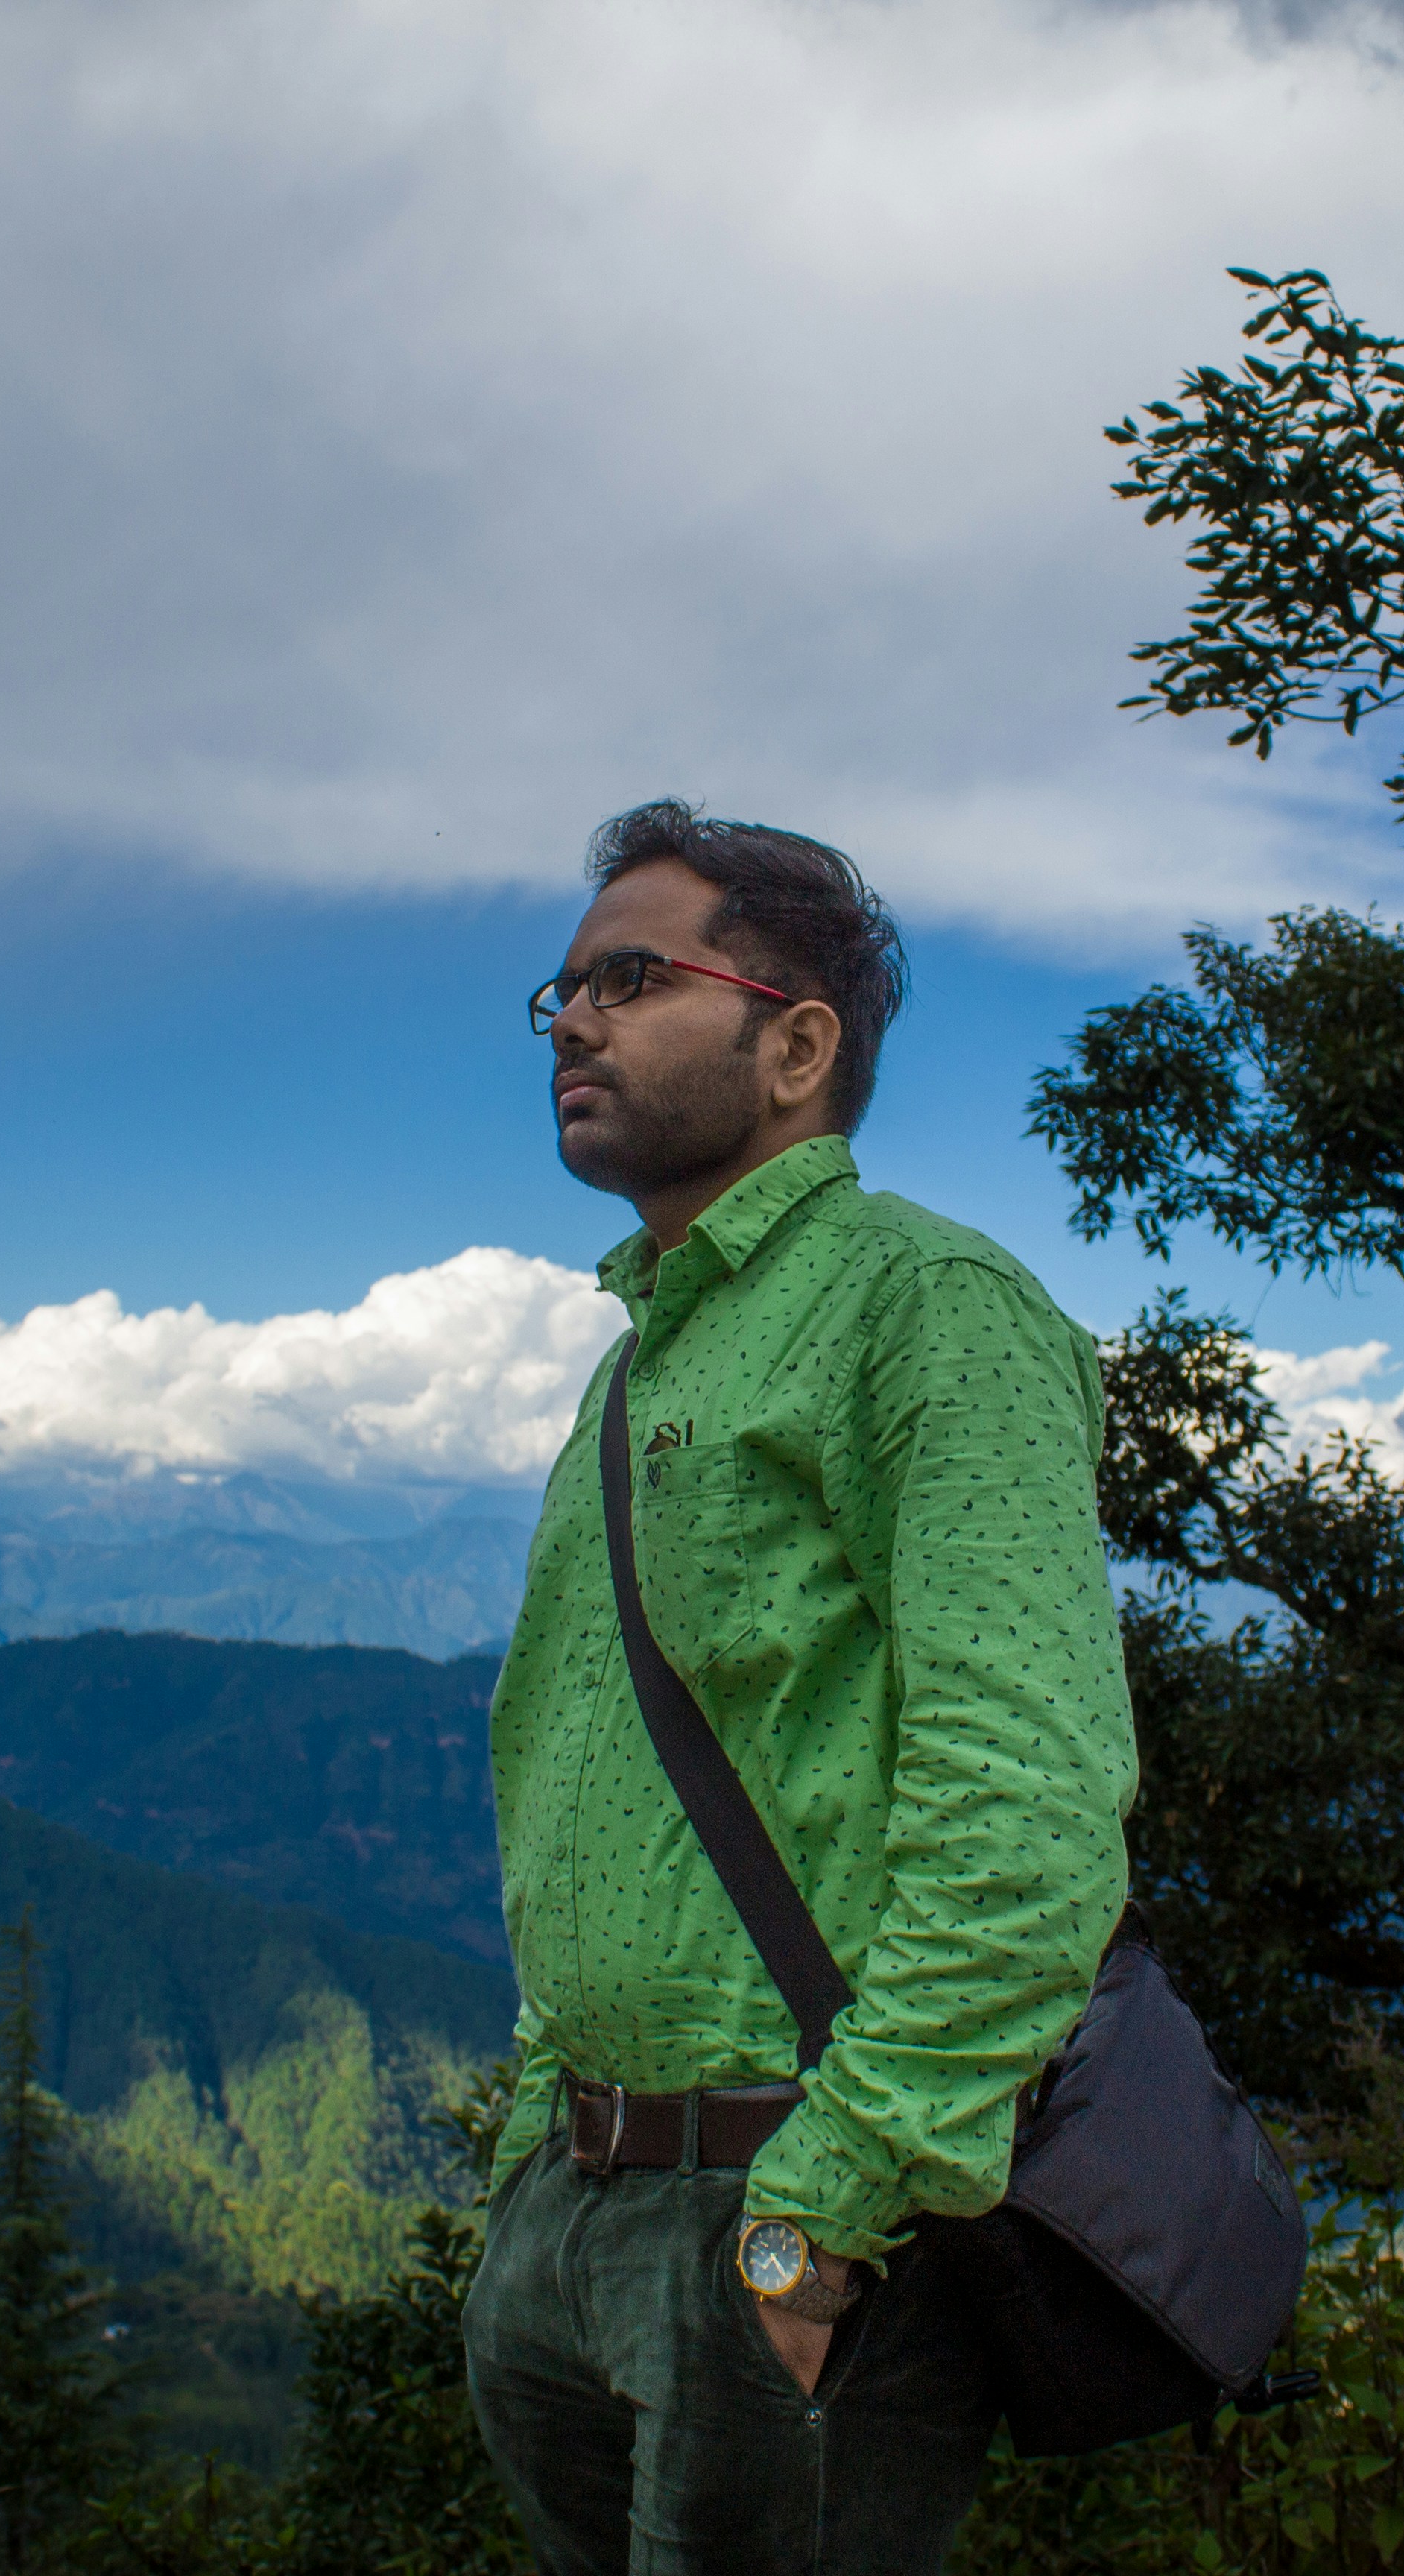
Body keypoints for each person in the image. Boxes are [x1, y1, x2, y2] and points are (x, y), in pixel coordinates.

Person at [462, 800, 1140, 2574]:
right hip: (580, 2209)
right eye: (561, 988)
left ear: (797, 1043)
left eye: (629, 976)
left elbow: (1032, 1802)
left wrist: (821, 2217)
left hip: (788, 2207)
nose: (574, 1022)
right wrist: (541, 2147)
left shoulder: (923, 1309)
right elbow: (575, 1773)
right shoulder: (630, 1385)